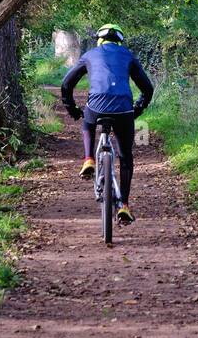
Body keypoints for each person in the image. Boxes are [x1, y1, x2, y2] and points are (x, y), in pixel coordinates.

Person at [59, 24, 154, 225]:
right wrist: (138, 109)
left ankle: (88, 159)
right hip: (123, 109)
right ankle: (124, 206)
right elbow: (147, 88)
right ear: (119, 41)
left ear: (99, 40)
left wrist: (72, 109)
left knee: (87, 122)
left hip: (96, 107)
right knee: (126, 157)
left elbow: (67, 83)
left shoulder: (90, 55)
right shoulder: (128, 56)